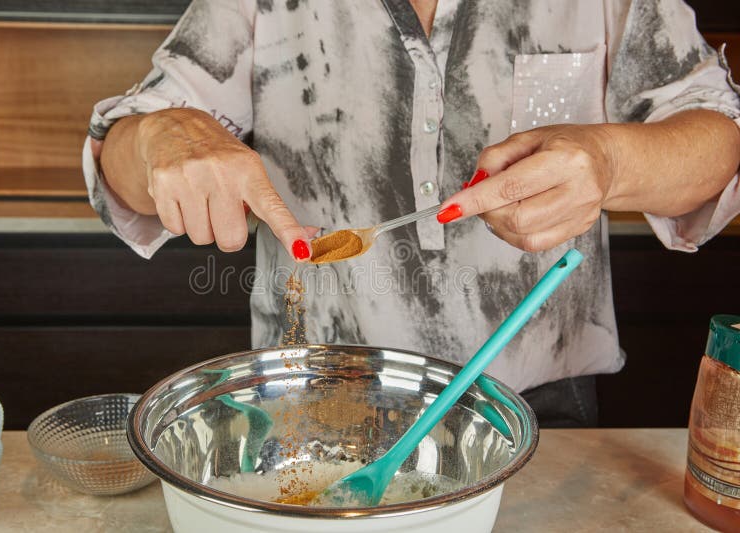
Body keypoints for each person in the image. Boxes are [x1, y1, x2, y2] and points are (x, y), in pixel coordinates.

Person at [84, 0, 740, 427]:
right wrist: (161, 137)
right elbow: (120, 162)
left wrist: (610, 162)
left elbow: (720, 142)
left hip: (538, 405)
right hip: (307, 401)